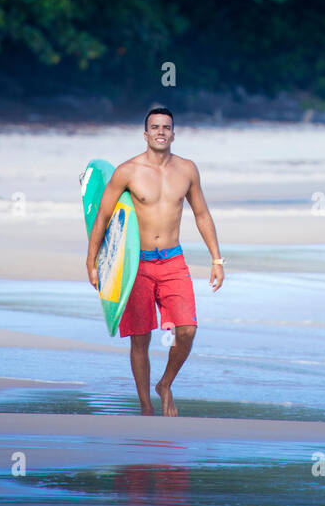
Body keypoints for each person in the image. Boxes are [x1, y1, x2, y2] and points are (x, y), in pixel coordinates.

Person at [86, 106, 224, 415]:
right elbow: (103, 217)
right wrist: (92, 260)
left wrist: (217, 259)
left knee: (187, 329)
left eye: (166, 127)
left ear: (174, 134)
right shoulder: (128, 171)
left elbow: (202, 214)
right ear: (146, 134)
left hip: (173, 261)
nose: (161, 131)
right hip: (136, 264)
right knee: (140, 338)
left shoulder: (187, 170)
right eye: (155, 127)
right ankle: (146, 406)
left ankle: (165, 384)